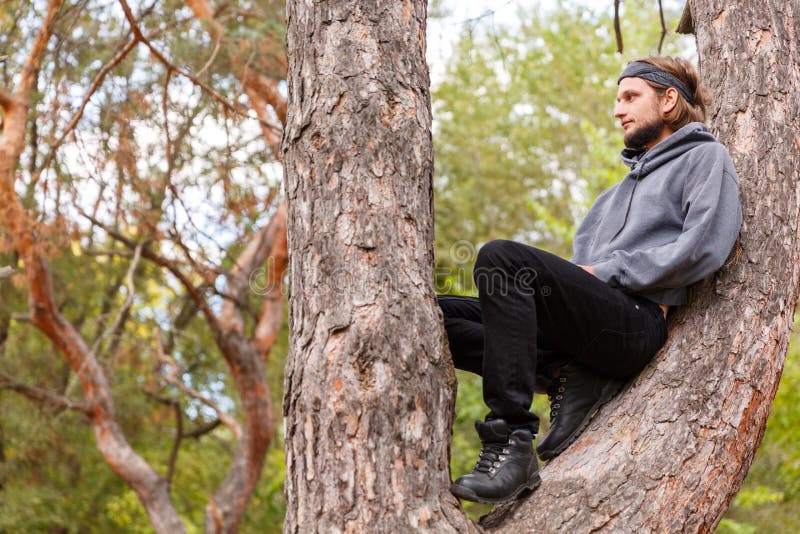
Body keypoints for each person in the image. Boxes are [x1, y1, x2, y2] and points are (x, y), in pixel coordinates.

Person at [441, 56, 743, 504]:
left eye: (630, 97)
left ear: (669, 100)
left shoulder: (705, 157)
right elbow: (574, 283)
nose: (618, 110)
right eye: (618, 99)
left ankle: (511, 443)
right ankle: (562, 372)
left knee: (500, 258)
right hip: (584, 329)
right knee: (432, 313)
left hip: (634, 321)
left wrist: (606, 271)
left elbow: (703, 247)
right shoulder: (609, 199)